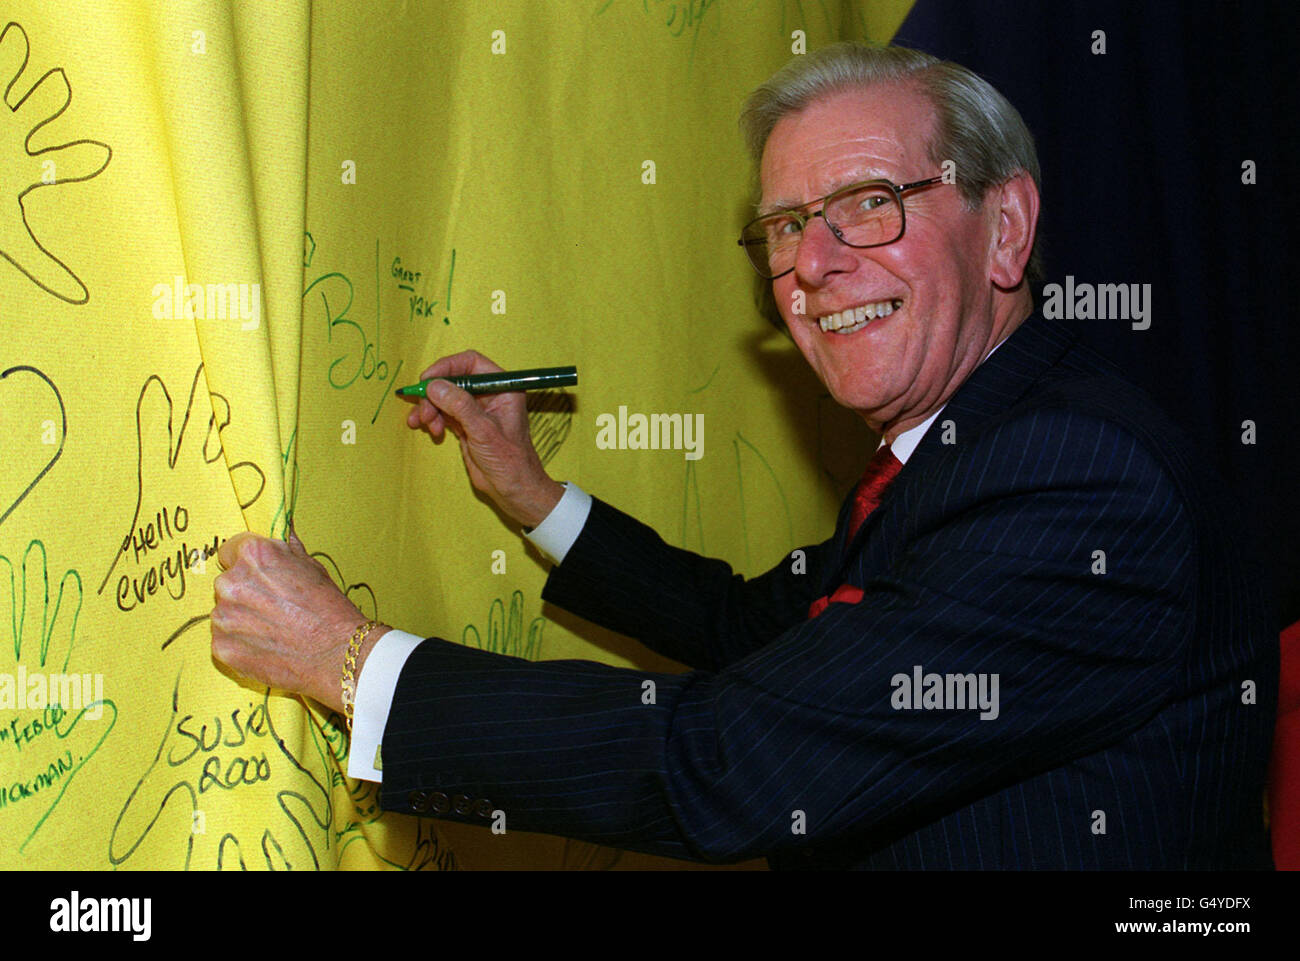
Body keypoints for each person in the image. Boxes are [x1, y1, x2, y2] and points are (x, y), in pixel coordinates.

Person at [211, 43, 1276, 869]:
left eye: (872, 203)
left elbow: (732, 758)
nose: (813, 263)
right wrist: (532, 494)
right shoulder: (964, 449)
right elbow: (747, 629)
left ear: (1005, 231)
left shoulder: (1073, 482)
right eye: (783, 226)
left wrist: (352, 662)